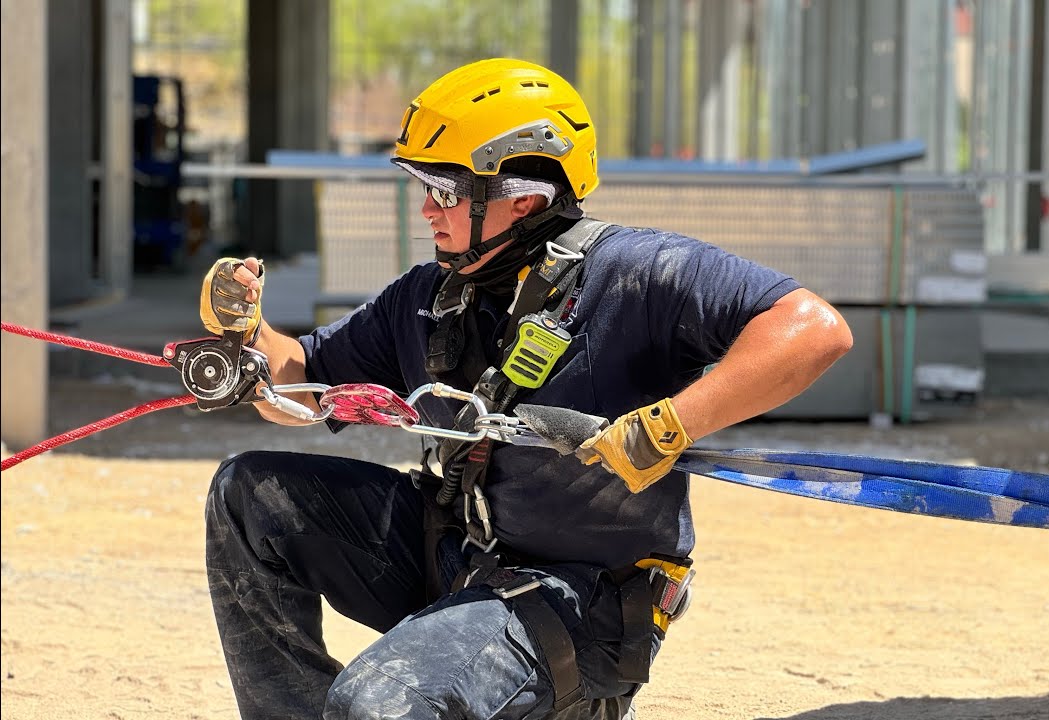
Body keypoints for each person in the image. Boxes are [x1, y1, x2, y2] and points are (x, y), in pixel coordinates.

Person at [200, 58, 852, 720]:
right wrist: (247, 334)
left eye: (445, 190)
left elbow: (813, 330)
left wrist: (670, 424)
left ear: (525, 198)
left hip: (570, 610)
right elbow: (301, 386)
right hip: (453, 559)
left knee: (381, 702)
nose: (426, 207)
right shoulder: (431, 297)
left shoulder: (635, 274)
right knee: (247, 495)